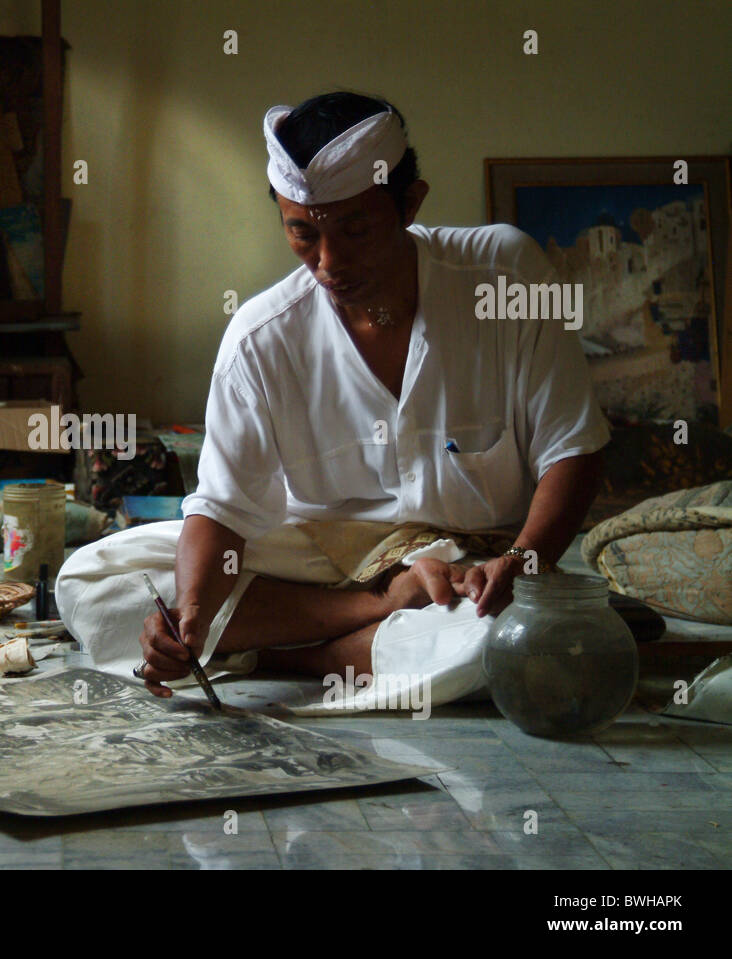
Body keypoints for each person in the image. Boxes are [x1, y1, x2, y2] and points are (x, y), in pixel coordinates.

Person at [55, 91, 611, 713]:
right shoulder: (262, 336)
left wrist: (519, 561)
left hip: (465, 573)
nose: (329, 262)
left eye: (355, 229)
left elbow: (573, 449)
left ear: (410, 203)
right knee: (92, 580)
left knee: (503, 638)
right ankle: (365, 625)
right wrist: (187, 620)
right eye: (303, 232)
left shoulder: (504, 272)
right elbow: (221, 511)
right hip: (321, 564)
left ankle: (291, 655)